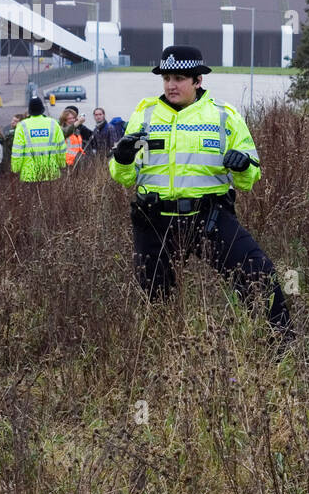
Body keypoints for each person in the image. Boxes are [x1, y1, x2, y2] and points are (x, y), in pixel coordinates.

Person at [110, 46, 291, 333]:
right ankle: (163, 356)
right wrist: (121, 158)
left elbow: (250, 178)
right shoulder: (145, 115)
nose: (171, 85)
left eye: (180, 78)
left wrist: (243, 165)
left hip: (209, 217)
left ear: (198, 81)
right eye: (166, 78)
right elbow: (126, 177)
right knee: (155, 301)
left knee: (260, 275)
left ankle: (281, 345)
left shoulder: (224, 116)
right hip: (154, 220)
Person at [11, 97, 66, 182]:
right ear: (42, 109)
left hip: (29, 174)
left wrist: (15, 168)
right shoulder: (53, 123)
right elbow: (61, 147)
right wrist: (61, 163)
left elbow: (17, 150)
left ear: (29, 110)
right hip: (51, 172)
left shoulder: (22, 126)